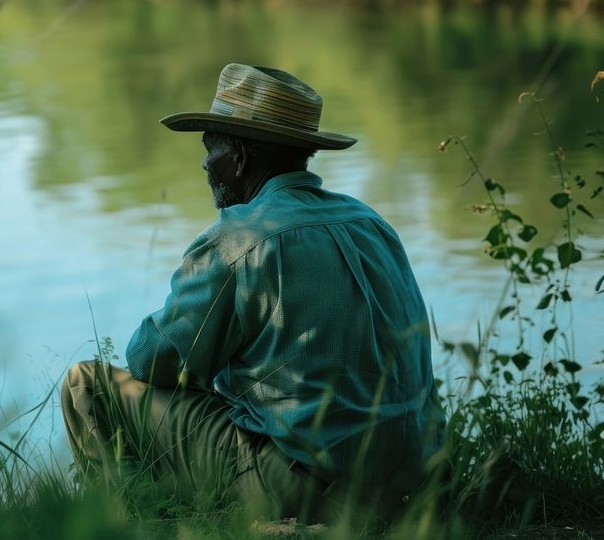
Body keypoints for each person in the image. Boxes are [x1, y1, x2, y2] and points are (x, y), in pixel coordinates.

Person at [60, 63, 446, 522]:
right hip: (416, 486)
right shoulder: (371, 223)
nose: (205, 164)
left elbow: (151, 360)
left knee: (87, 382)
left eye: (211, 147)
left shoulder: (240, 237)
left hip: (309, 490)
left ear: (239, 156)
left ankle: (130, 524)